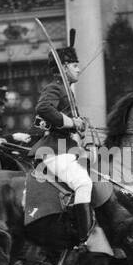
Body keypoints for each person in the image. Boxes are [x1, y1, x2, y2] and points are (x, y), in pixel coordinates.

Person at [31, 44, 95, 243]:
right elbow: (43, 108)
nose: (79, 69)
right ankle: (85, 239)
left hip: (67, 149)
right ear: (65, 67)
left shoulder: (67, 90)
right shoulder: (55, 87)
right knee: (84, 184)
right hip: (54, 150)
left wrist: (79, 125)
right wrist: (71, 122)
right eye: (75, 65)